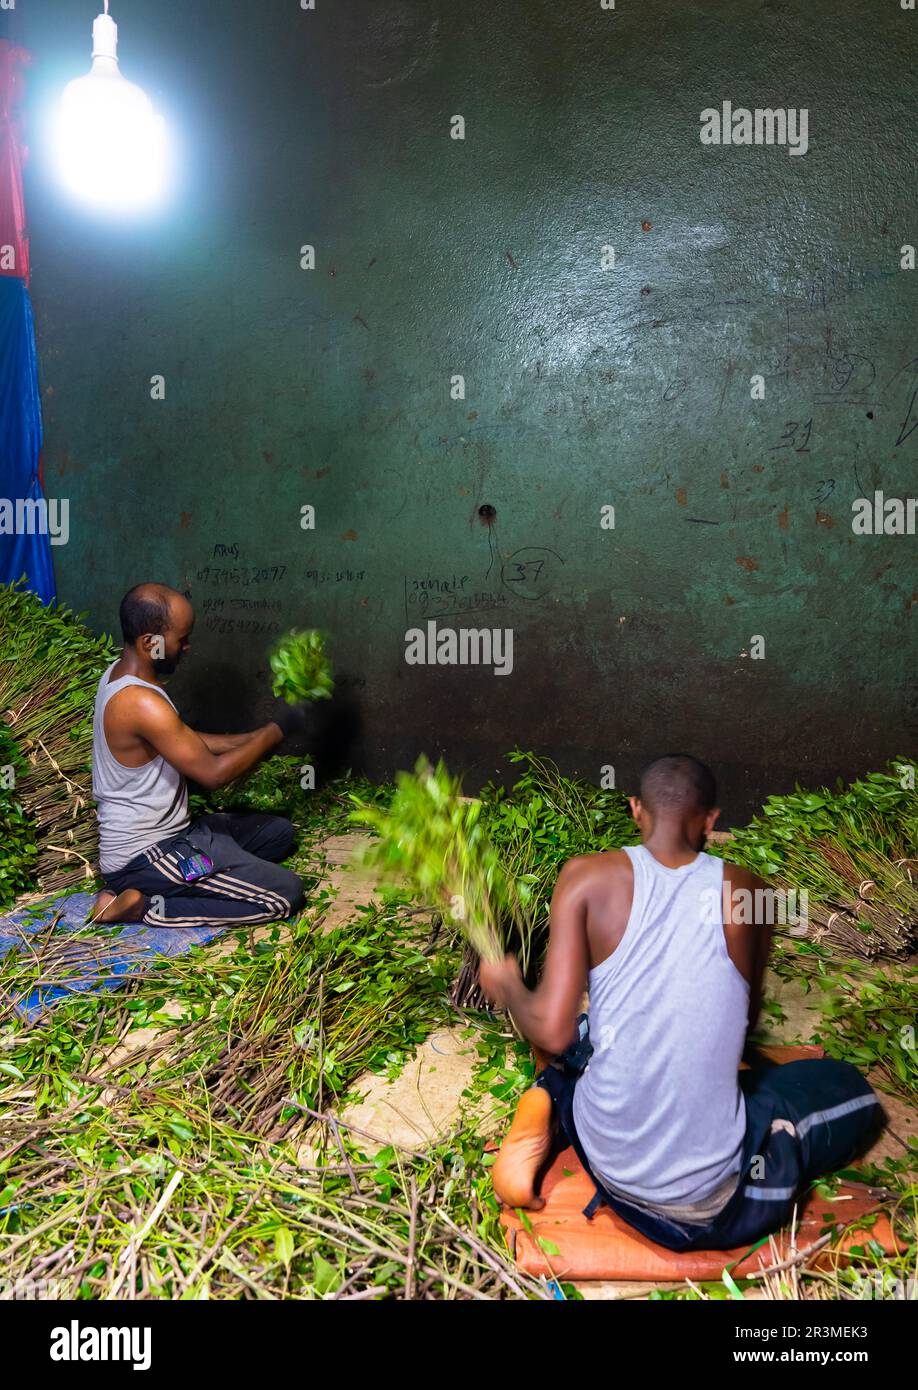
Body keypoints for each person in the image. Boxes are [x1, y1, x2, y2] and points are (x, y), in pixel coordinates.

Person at [479, 754, 883, 1253]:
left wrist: (510, 987)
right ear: (711, 820)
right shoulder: (748, 891)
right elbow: (745, 1026)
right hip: (711, 1207)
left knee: (585, 1033)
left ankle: (548, 1099)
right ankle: (570, 1111)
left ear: (635, 810)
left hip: (604, 1152)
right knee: (852, 1091)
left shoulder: (583, 876)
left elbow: (551, 1032)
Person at [89, 582, 307, 930]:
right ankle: (141, 907)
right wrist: (277, 730)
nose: (187, 647)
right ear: (150, 643)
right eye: (182, 638)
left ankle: (211, 872)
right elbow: (214, 775)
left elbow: (181, 739)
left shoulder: (122, 675)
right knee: (285, 894)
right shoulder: (140, 702)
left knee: (276, 833)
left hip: (180, 833)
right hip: (146, 855)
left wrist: (249, 739)